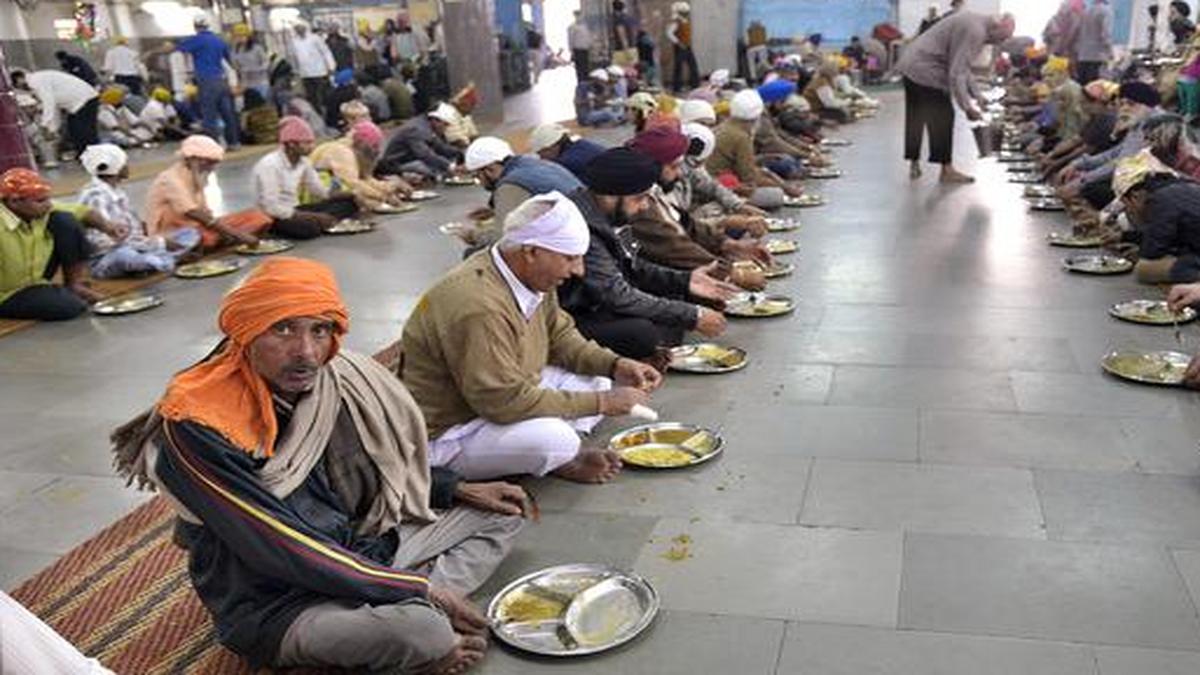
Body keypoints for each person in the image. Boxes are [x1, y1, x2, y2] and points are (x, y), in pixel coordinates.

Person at [111, 256, 526, 673]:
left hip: (358, 545)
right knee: (425, 634)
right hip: (276, 598)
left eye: (320, 330)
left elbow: (379, 468)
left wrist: (453, 489)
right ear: (246, 332)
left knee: (503, 511)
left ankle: (390, 604)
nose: (306, 353)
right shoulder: (197, 427)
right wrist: (418, 588)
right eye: (283, 328)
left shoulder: (332, 383)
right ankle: (402, 615)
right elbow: (277, 547)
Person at [403, 191, 663, 483]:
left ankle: (563, 448)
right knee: (554, 440)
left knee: (598, 377)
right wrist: (602, 403)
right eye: (570, 258)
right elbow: (502, 403)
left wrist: (616, 365)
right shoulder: (479, 306)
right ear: (531, 252)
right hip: (454, 428)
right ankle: (563, 452)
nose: (578, 270)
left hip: (506, 389)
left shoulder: (529, 275)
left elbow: (561, 337)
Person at [560, 147, 738, 358]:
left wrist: (686, 280)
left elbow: (635, 265)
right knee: (642, 334)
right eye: (639, 198)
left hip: (605, 303)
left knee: (678, 295)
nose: (645, 206)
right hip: (578, 314)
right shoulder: (579, 227)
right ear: (610, 195)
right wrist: (691, 315)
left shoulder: (616, 218)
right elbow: (615, 295)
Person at [627, 125, 770, 283]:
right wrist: (729, 272)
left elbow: (684, 222)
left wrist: (729, 244)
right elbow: (672, 245)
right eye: (674, 167)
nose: (680, 172)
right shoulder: (638, 200)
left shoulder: (656, 187)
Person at [895, 11, 1016, 183]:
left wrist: (978, 95)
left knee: (916, 116)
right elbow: (957, 72)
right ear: (997, 26)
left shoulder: (975, 21)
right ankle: (947, 170)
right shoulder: (976, 31)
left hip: (911, 65)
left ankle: (914, 161)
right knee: (944, 116)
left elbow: (962, 66)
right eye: (1001, 38)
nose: (999, 42)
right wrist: (967, 106)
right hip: (926, 69)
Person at [78, 144, 200, 278]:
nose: (127, 167)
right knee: (126, 256)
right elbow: (104, 244)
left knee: (190, 233)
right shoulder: (96, 196)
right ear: (115, 167)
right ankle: (168, 259)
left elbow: (133, 229)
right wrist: (159, 244)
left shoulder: (116, 191)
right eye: (124, 163)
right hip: (108, 257)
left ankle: (161, 259)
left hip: (138, 246)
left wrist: (153, 242)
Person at [0, 168, 97, 320]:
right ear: (14, 201)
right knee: (68, 307)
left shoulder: (35, 209)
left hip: (32, 278)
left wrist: (110, 227)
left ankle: (74, 284)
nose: (48, 205)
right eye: (41, 201)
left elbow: (82, 211)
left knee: (65, 220)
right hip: (6, 292)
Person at [144, 135, 270, 249]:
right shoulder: (170, 179)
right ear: (191, 158)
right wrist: (237, 234)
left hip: (199, 227)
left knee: (259, 217)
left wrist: (225, 230)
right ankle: (214, 241)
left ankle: (219, 240)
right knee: (202, 238)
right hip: (178, 232)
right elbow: (193, 212)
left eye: (214, 163)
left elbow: (207, 214)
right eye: (208, 162)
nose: (211, 167)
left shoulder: (196, 175)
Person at [253, 116, 360, 239]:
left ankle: (322, 222)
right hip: (274, 216)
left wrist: (351, 194)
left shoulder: (304, 162)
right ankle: (321, 222)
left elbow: (320, 192)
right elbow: (271, 207)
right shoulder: (269, 165)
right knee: (309, 229)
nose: (312, 146)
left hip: (295, 210)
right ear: (291, 144)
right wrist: (313, 216)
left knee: (349, 204)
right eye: (307, 143)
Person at [1109, 149, 1200, 283]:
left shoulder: (1160, 201)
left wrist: (1139, 255)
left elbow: (1153, 253)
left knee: (1144, 269)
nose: (1130, 212)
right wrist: (1125, 237)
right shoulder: (1181, 189)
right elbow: (1165, 236)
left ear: (1135, 196)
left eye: (1126, 206)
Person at [707, 89, 803, 200]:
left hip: (718, 180)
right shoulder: (741, 135)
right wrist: (784, 187)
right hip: (721, 185)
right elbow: (749, 177)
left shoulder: (728, 126)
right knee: (776, 195)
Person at [312, 120, 414, 211]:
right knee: (356, 200)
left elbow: (366, 178)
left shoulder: (353, 150)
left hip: (326, 189)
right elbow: (353, 184)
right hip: (314, 196)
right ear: (363, 147)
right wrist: (383, 196)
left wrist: (387, 188)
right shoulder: (342, 152)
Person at [177, 16, 241, 150]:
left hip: (206, 81)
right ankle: (234, 143)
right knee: (227, 113)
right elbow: (229, 60)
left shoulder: (196, 40)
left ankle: (213, 146)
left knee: (209, 115)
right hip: (222, 80)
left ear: (195, 26)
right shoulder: (219, 40)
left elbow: (180, 48)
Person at [11, 69, 100, 155]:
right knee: (74, 129)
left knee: (84, 131)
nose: (20, 88)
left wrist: (45, 125)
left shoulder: (36, 81)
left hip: (85, 100)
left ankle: (96, 155)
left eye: (17, 85)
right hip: (79, 103)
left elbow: (49, 102)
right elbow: (54, 107)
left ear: (20, 78)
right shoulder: (38, 81)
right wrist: (53, 129)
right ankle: (84, 154)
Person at [376, 105, 463, 178]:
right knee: (424, 168)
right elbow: (424, 154)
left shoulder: (426, 126)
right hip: (397, 163)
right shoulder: (416, 129)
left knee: (442, 162)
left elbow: (440, 146)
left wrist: (459, 153)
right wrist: (449, 166)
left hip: (412, 158)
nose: (445, 128)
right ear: (435, 120)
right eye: (445, 125)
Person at [528, 123, 607, 179]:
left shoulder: (565, 162)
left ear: (553, 146)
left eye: (542, 153)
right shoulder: (581, 143)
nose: (541, 158)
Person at [290, 21, 336, 111]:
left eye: (301, 27)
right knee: (311, 97)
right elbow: (293, 57)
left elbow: (326, 52)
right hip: (305, 74)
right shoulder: (294, 42)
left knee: (323, 96)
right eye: (297, 28)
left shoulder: (315, 38)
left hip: (320, 72)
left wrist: (331, 66)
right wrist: (295, 71)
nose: (299, 29)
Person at [1074, 0, 1112, 85]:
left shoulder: (1085, 11)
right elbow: (1105, 35)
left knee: (1082, 87)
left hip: (1082, 56)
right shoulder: (1106, 11)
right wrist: (1110, 53)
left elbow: (1077, 32)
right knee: (1094, 89)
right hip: (1097, 56)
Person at [667, 2, 699, 92]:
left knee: (693, 65)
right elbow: (669, 33)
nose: (687, 14)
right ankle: (677, 87)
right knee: (679, 67)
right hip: (680, 47)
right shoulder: (677, 22)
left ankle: (695, 85)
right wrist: (678, 43)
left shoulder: (685, 21)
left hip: (687, 46)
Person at [231, 25, 271, 98]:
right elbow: (235, 65)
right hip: (246, 84)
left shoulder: (257, 48)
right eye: (238, 36)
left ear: (248, 36)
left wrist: (259, 69)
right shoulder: (235, 50)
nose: (240, 38)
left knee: (263, 104)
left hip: (260, 82)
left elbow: (266, 62)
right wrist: (239, 69)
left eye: (242, 36)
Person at [568, 10, 593, 80]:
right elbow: (570, 39)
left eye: (580, 15)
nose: (579, 17)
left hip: (586, 49)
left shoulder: (585, 26)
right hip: (577, 50)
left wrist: (590, 45)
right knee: (579, 68)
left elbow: (589, 37)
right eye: (577, 15)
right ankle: (581, 81)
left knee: (586, 67)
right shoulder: (572, 27)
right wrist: (571, 50)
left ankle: (586, 81)